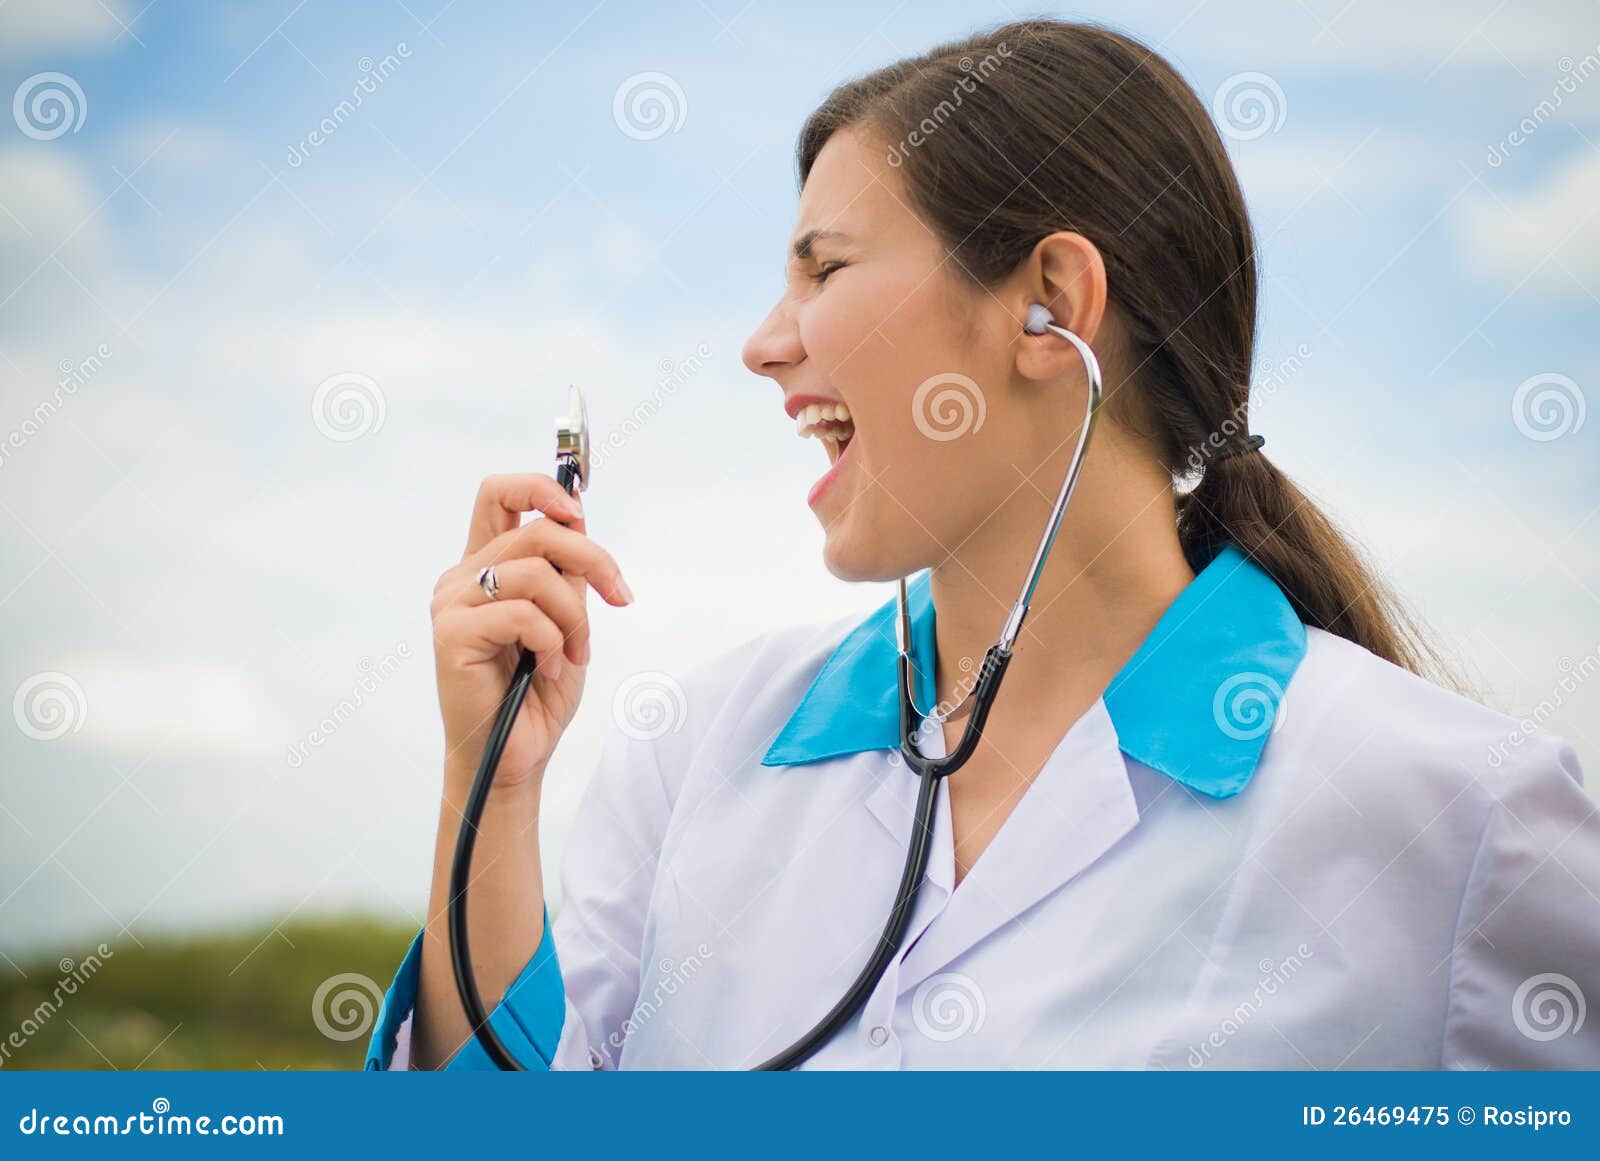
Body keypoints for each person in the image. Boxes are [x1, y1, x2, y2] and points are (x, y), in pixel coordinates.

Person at [364, 19, 1600, 1070]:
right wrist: (493, 787)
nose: (762, 344)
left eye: (823, 271)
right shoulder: (697, 754)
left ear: (1049, 305)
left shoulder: (1460, 820)